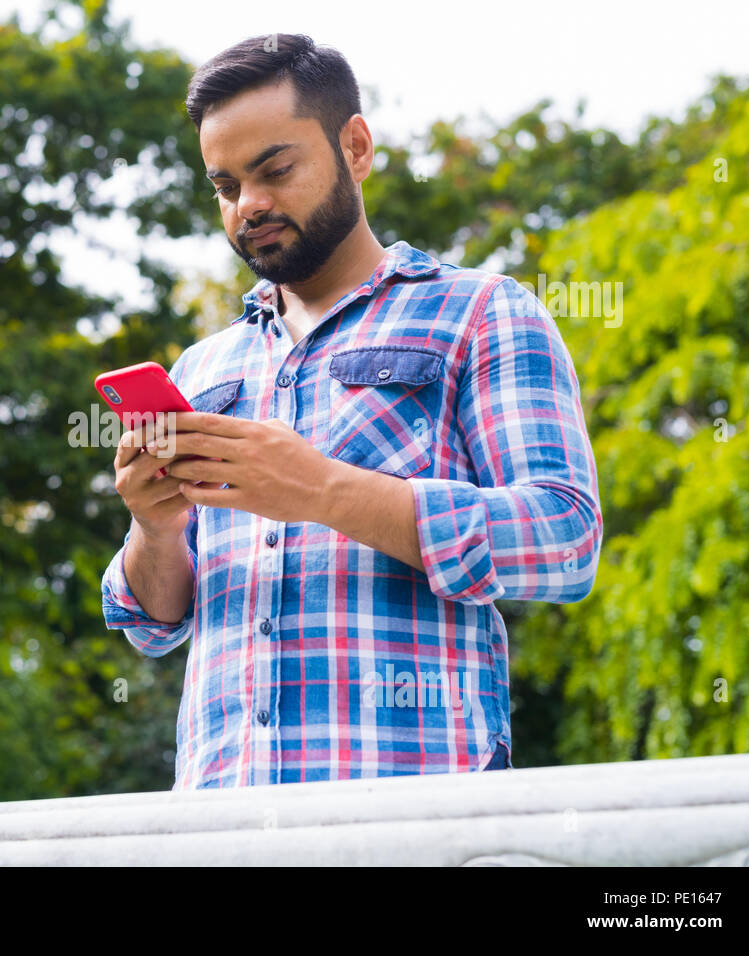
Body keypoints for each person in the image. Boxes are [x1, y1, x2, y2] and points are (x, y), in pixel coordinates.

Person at [101, 33, 602, 789]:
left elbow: (566, 540)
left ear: (356, 148)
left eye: (275, 170)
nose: (250, 206)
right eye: (227, 186)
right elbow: (151, 625)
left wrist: (324, 491)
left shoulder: (485, 313)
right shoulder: (204, 367)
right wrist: (154, 527)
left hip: (411, 812)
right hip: (217, 822)